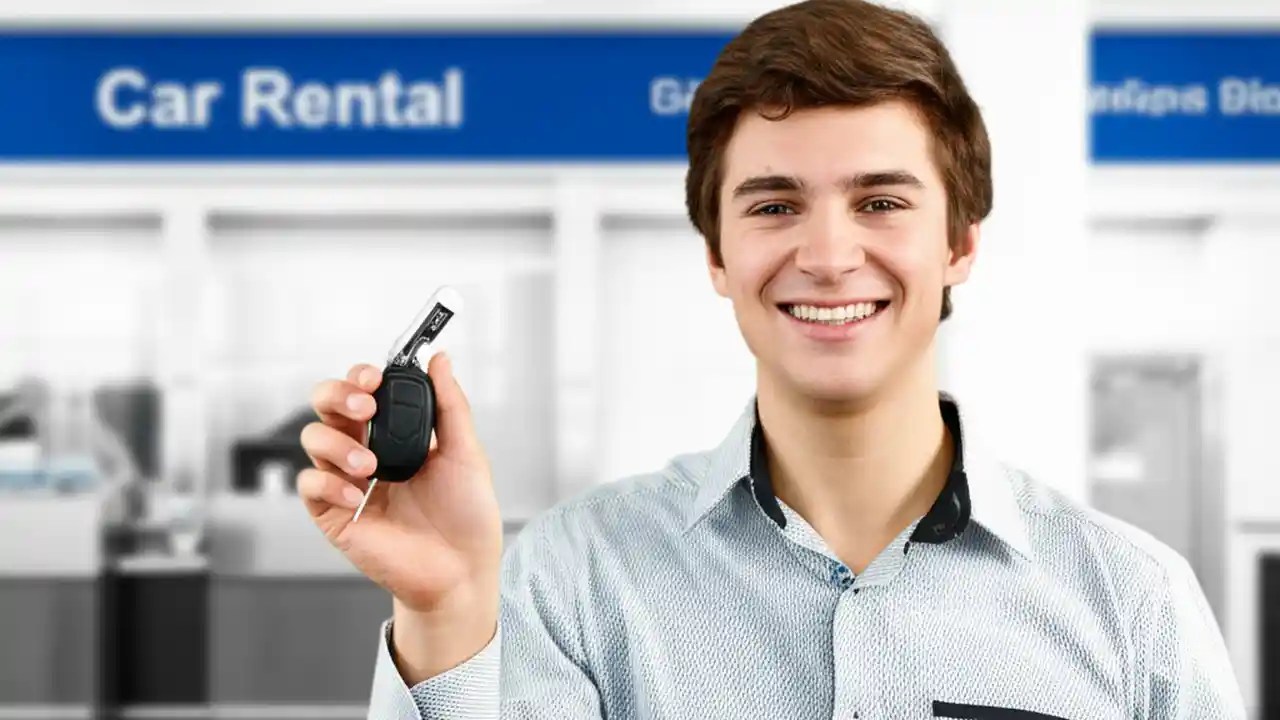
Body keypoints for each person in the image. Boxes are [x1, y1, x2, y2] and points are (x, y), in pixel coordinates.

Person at [298, 1, 1246, 717]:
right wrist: (450, 609)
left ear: (959, 244)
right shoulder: (571, 582)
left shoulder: (1136, 604)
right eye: (773, 205)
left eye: (881, 202)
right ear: (717, 254)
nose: (829, 255)